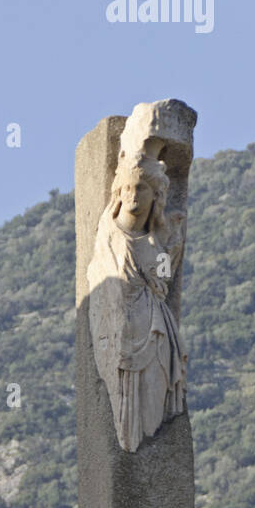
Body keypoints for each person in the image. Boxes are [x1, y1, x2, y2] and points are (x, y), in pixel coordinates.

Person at [87, 151, 187, 453]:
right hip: (124, 337)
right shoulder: (110, 236)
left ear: (156, 194)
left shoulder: (159, 241)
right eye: (127, 188)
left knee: (154, 416)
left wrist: (171, 241)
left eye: (140, 188)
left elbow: (164, 282)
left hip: (157, 334)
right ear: (118, 192)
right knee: (129, 424)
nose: (132, 195)